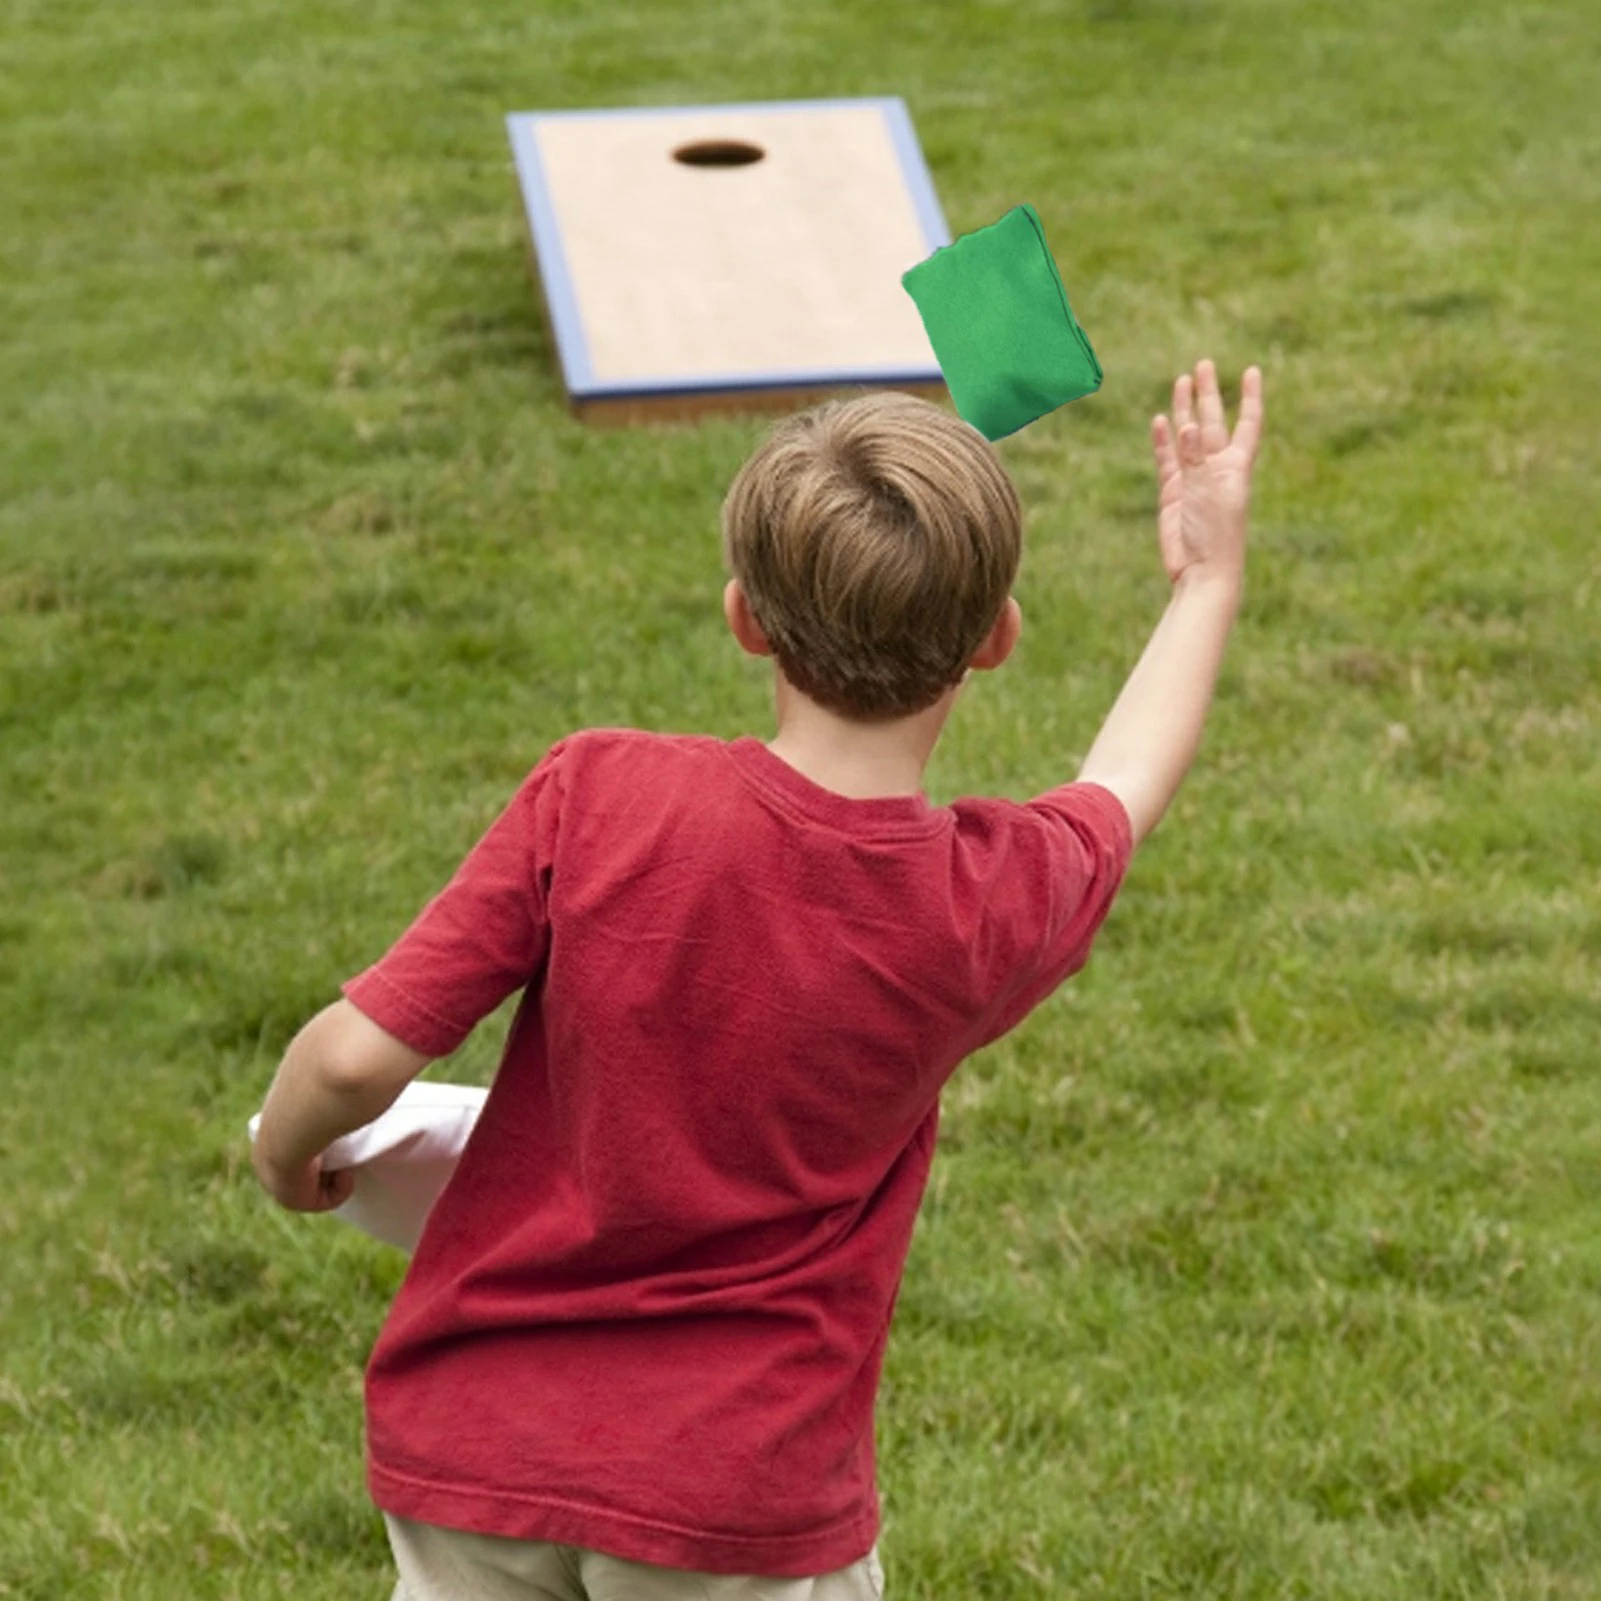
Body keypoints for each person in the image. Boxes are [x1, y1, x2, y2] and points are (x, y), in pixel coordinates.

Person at [252, 358, 1264, 1600]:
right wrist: (1204, 575)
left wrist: (285, 1153)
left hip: (475, 1443)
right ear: (996, 638)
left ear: (744, 615)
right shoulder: (982, 906)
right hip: (734, 1499)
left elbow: (357, 1058)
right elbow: (1124, 780)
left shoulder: (596, 790)